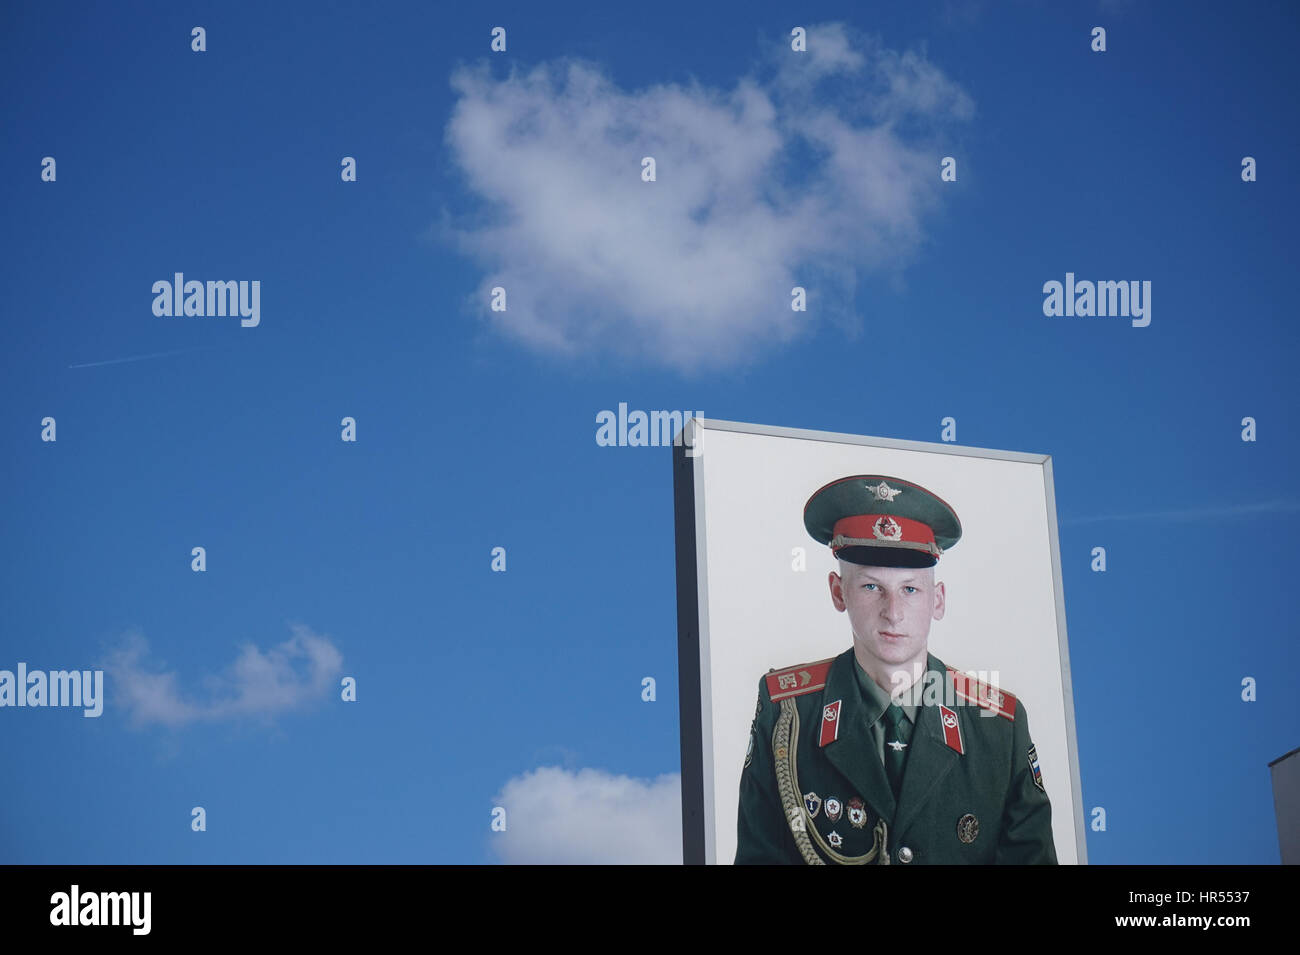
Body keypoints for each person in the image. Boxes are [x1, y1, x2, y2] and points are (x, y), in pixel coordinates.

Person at [735, 475, 1057, 865]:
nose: (893, 612)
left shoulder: (997, 727)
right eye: (871, 587)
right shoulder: (788, 713)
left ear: (937, 600)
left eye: (910, 589)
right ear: (838, 593)